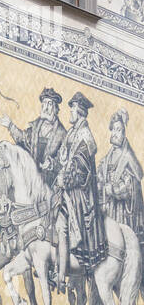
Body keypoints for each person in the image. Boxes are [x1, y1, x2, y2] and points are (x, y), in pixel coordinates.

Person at [54, 91, 107, 292]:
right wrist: (54, 165)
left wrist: (64, 180)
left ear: (80, 111)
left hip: (80, 195)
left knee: (61, 223)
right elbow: (65, 159)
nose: (70, 112)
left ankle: (61, 275)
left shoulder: (85, 137)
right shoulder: (72, 132)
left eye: (72, 109)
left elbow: (80, 171)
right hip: (67, 186)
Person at [0, 86, 66, 187]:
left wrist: (52, 164)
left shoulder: (62, 133)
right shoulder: (35, 127)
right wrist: (11, 126)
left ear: (56, 109)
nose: (46, 107)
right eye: (43, 104)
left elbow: (64, 160)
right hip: (32, 178)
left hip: (50, 182)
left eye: (50, 104)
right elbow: (23, 139)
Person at [97, 108, 144, 248]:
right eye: (113, 129)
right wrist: (99, 183)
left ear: (124, 133)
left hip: (122, 211)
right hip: (108, 207)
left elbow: (131, 185)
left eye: (119, 130)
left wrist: (114, 190)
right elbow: (100, 173)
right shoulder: (109, 155)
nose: (115, 133)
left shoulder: (128, 157)